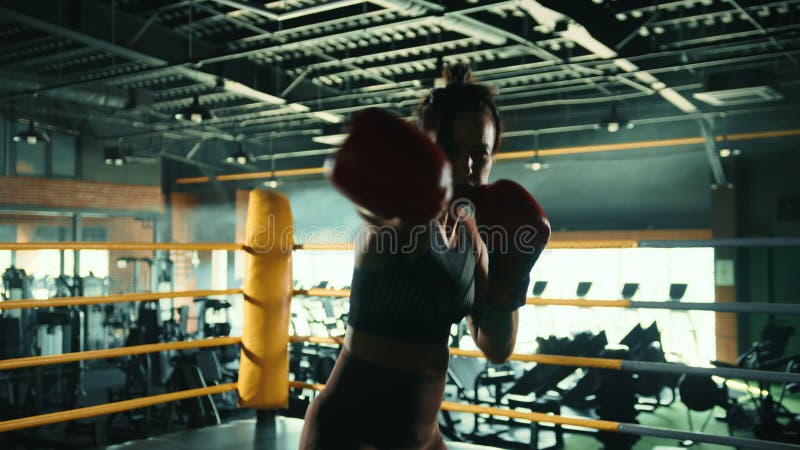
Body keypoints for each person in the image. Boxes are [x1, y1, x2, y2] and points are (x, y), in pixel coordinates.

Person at [299, 63, 550, 450]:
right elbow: (383, 220)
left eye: (480, 154)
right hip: (349, 436)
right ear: (426, 149)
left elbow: (496, 346)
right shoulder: (395, 231)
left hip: (423, 439)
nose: (467, 167)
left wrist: (512, 273)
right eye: (450, 150)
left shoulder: (472, 238)